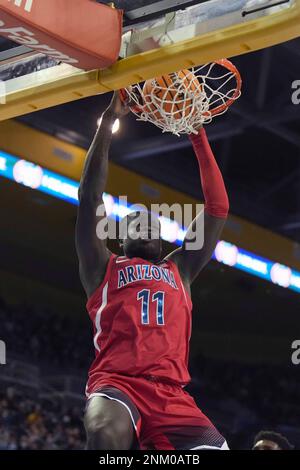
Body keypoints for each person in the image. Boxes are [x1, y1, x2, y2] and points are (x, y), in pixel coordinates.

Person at [75, 91, 229, 450]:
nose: (147, 225)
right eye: (135, 222)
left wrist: (197, 133)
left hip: (172, 397)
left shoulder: (182, 268)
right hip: (117, 384)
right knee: (103, 433)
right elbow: (90, 196)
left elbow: (218, 207)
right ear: (119, 238)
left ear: (162, 242)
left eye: (154, 225)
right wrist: (110, 119)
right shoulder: (102, 266)